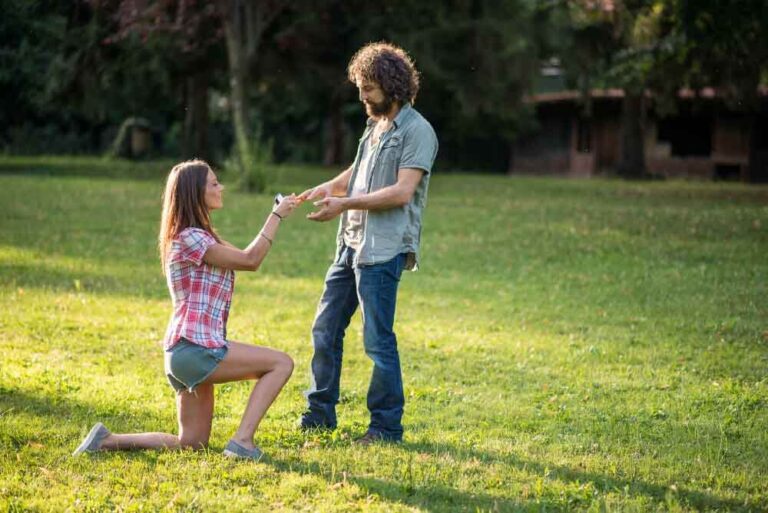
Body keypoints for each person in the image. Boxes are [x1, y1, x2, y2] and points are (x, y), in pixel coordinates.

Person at [73, 160, 298, 460]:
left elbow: (246, 255)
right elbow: (250, 260)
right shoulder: (190, 238)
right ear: (195, 192)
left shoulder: (198, 237)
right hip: (195, 348)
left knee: (192, 444)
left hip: (183, 352)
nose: (221, 188)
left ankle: (107, 440)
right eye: (214, 184)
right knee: (280, 364)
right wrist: (276, 215)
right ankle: (243, 442)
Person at [298, 42, 438, 444]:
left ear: (393, 87)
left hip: (383, 250)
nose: (362, 96)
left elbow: (401, 192)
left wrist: (343, 204)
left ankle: (385, 427)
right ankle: (319, 415)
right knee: (325, 329)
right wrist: (327, 188)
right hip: (350, 245)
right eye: (360, 86)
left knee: (377, 341)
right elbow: (358, 170)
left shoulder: (418, 131)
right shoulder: (373, 127)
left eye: (369, 88)